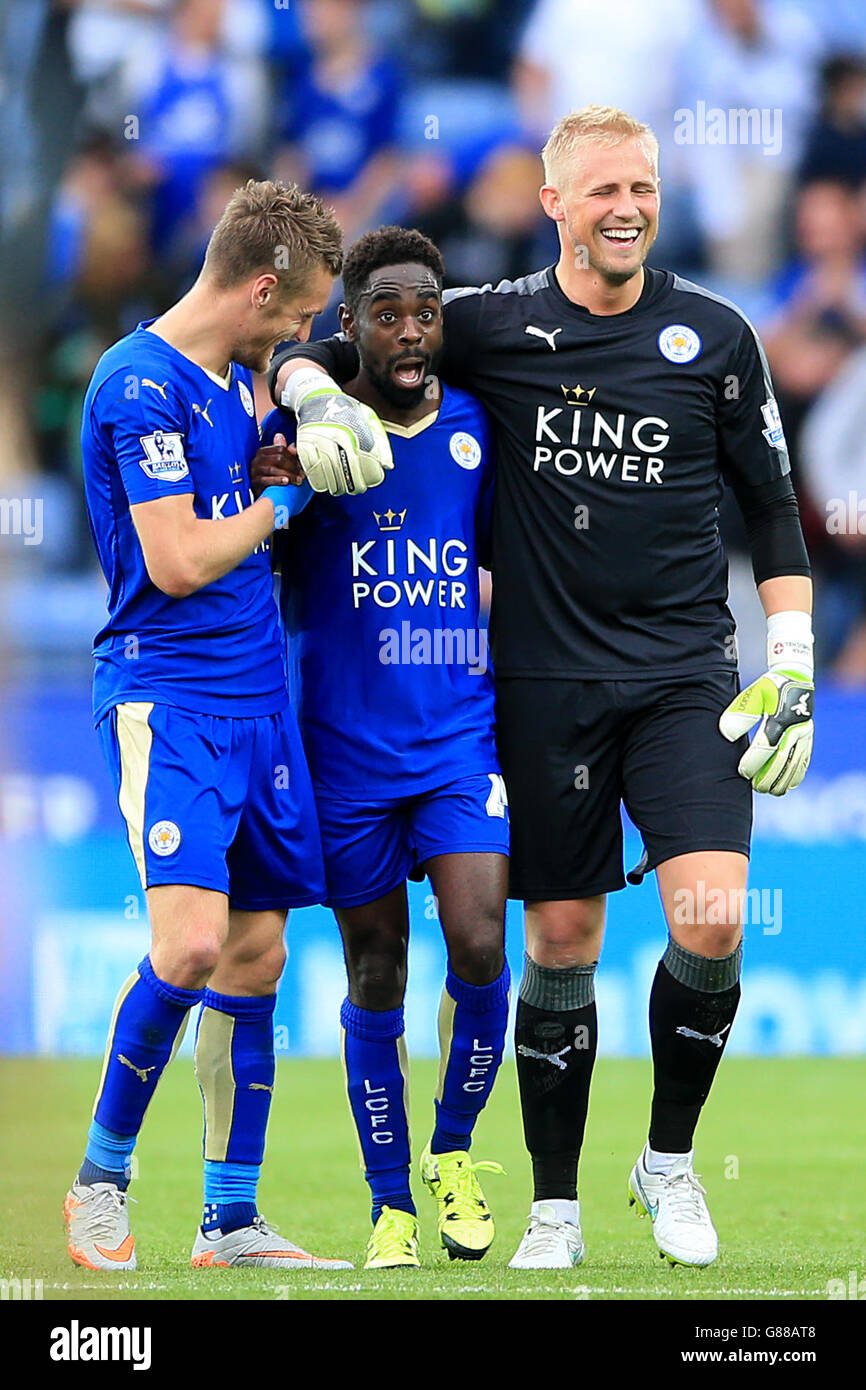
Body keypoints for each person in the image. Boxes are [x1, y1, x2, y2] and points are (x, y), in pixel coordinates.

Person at [268, 106, 816, 1270]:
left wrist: (792, 657)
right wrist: (308, 397)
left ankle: (665, 1162)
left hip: (682, 674)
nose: (627, 207)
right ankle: (553, 1206)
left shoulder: (715, 334)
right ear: (555, 203)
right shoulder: (489, 324)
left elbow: (771, 504)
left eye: (645, 187)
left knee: (710, 914)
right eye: (603, 188)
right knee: (558, 938)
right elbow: (336, 343)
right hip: (539, 682)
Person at [68, 178, 388, 1273]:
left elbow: (286, 387)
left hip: (262, 702)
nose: (301, 334)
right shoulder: (136, 381)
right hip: (170, 698)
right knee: (191, 943)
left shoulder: (240, 370)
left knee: (252, 959)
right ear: (259, 287)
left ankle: (231, 1220)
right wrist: (287, 502)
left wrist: (304, 403)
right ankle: (100, 1179)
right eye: (296, 316)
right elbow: (178, 559)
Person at [255, 227, 510, 1270]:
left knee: (482, 940)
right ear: (348, 322)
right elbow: (254, 548)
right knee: (375, 969)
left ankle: (451, 1156)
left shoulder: (475, 429)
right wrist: (278, 484)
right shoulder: (308, 433)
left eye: (425, 313)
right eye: (387, 313)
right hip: (343, 750)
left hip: (456, 735)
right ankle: (388, 1204)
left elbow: (511, 560)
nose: (410, 332)